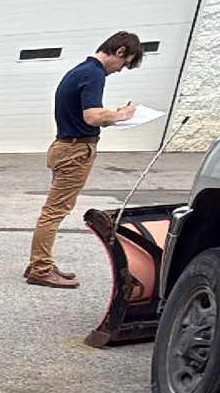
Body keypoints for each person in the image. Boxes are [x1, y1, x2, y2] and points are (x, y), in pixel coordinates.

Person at [25, 31, 144, 288]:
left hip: (66, 147)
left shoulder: (81, 70)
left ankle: (39, 261)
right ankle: (40, 268)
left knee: (53, 209)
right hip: (75, 150)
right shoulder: (94, 73)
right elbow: (91, 116)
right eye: (125, 63)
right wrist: (122, 114)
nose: (120, 70)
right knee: (55, 211)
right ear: (121, 51)